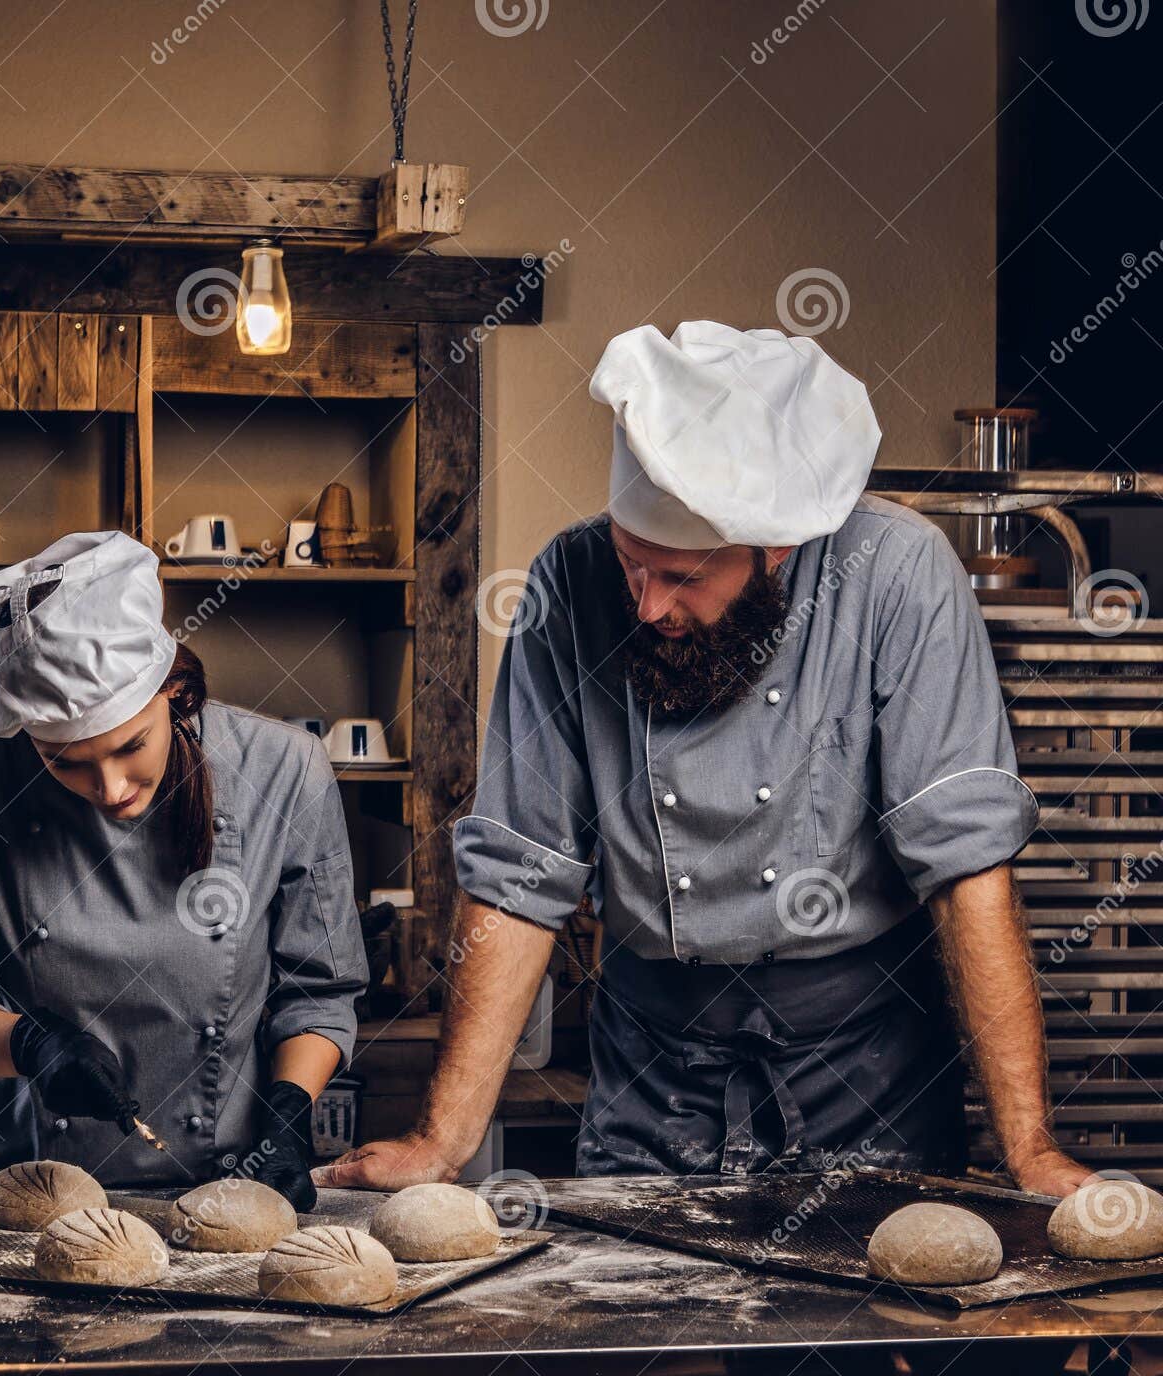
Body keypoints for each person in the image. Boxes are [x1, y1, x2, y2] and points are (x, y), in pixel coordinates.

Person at [318, 320, 1090, 1200]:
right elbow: (515, 876)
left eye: (683, 576)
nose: (646, 609)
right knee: (639, 1324)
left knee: (864, 1330)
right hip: (655, 1080)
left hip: (866, 1076)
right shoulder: (569, 587)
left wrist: (1028, 1147)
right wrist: (440, 1141)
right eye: (630, 563)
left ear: (778, 549)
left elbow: (966, 870)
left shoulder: (897, 577)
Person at [0, 530, 368, 1207]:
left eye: (131, 745)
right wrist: (30, 1046)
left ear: (172, 689)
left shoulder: (284, 772)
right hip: (19, 1199)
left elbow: (318, 992)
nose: (110, 788)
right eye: (65, 761)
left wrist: (288, 1114)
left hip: (222, 1191)